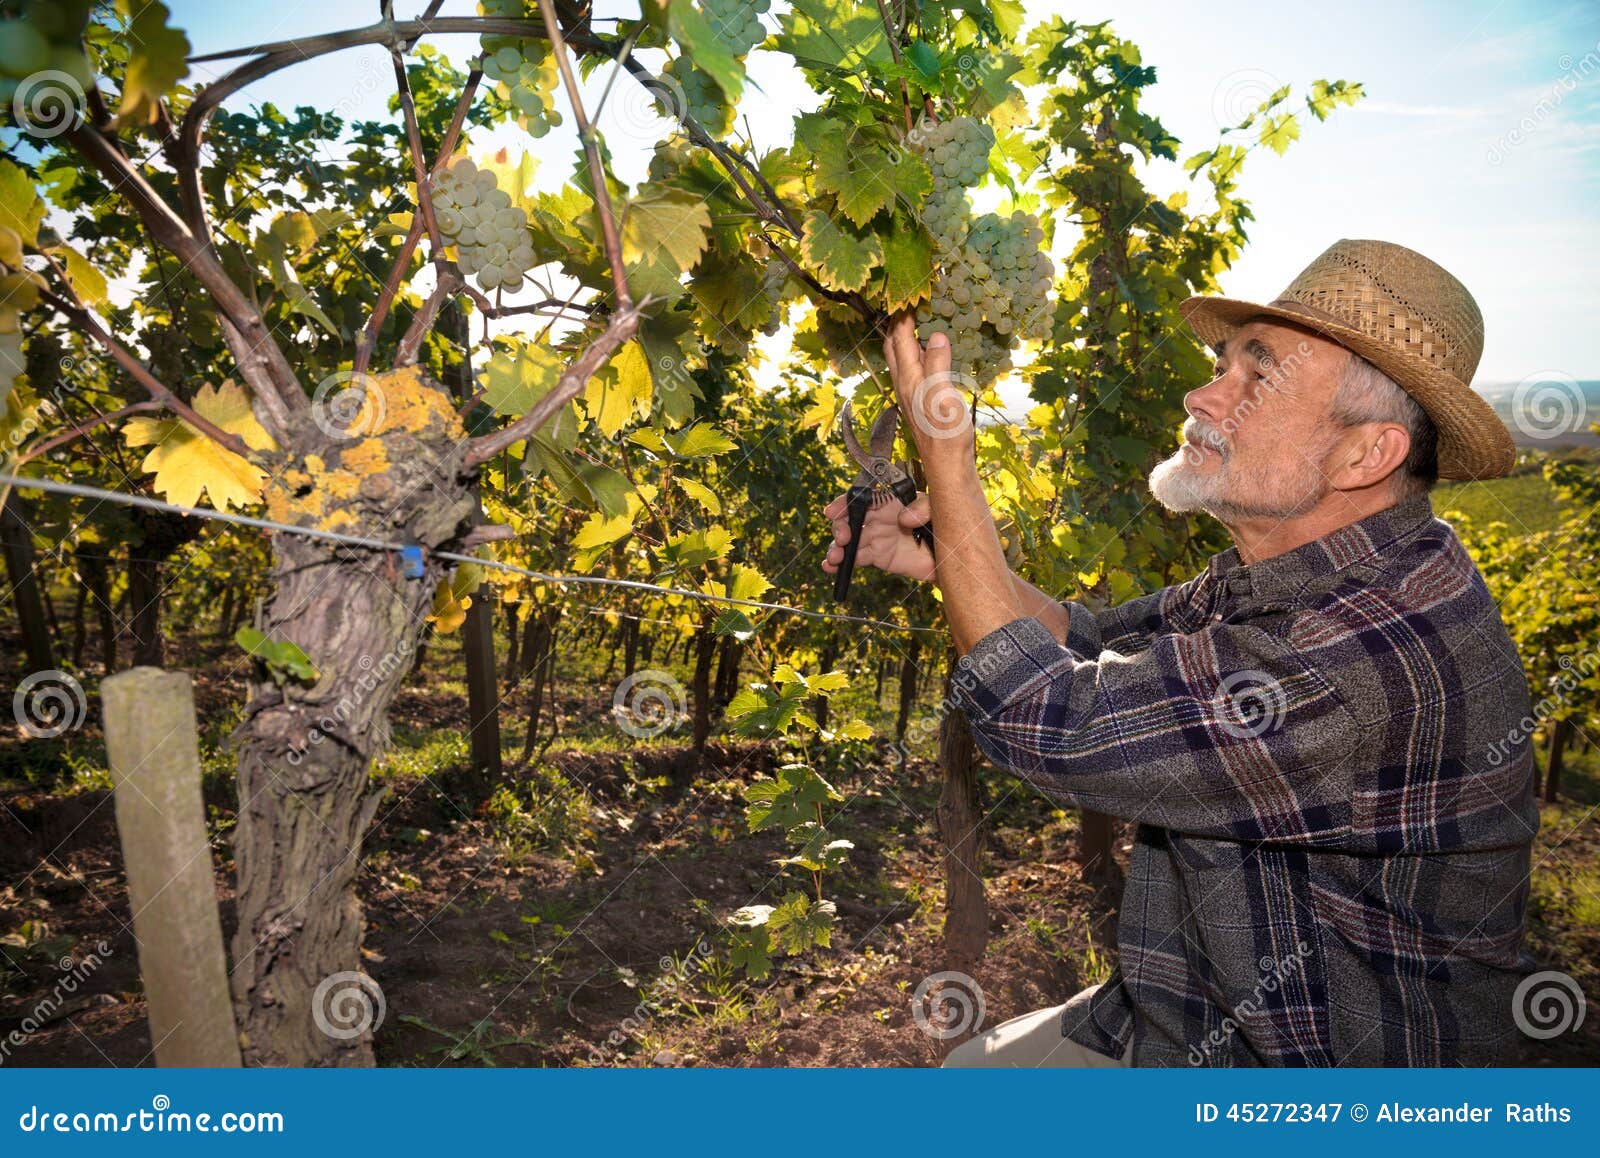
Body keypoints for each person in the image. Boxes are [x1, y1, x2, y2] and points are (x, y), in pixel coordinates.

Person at [823, 240, 1539, 1067]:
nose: (1202, 395)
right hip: (1186, 1007)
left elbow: (1049, 718)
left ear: (1366, 454)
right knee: (967, 1075)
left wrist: (950, 473)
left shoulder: (1369, 654)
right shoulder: (1304, 570)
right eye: (1220, 364)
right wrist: (944, 555)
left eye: (1257, 378)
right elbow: (1094, 647)